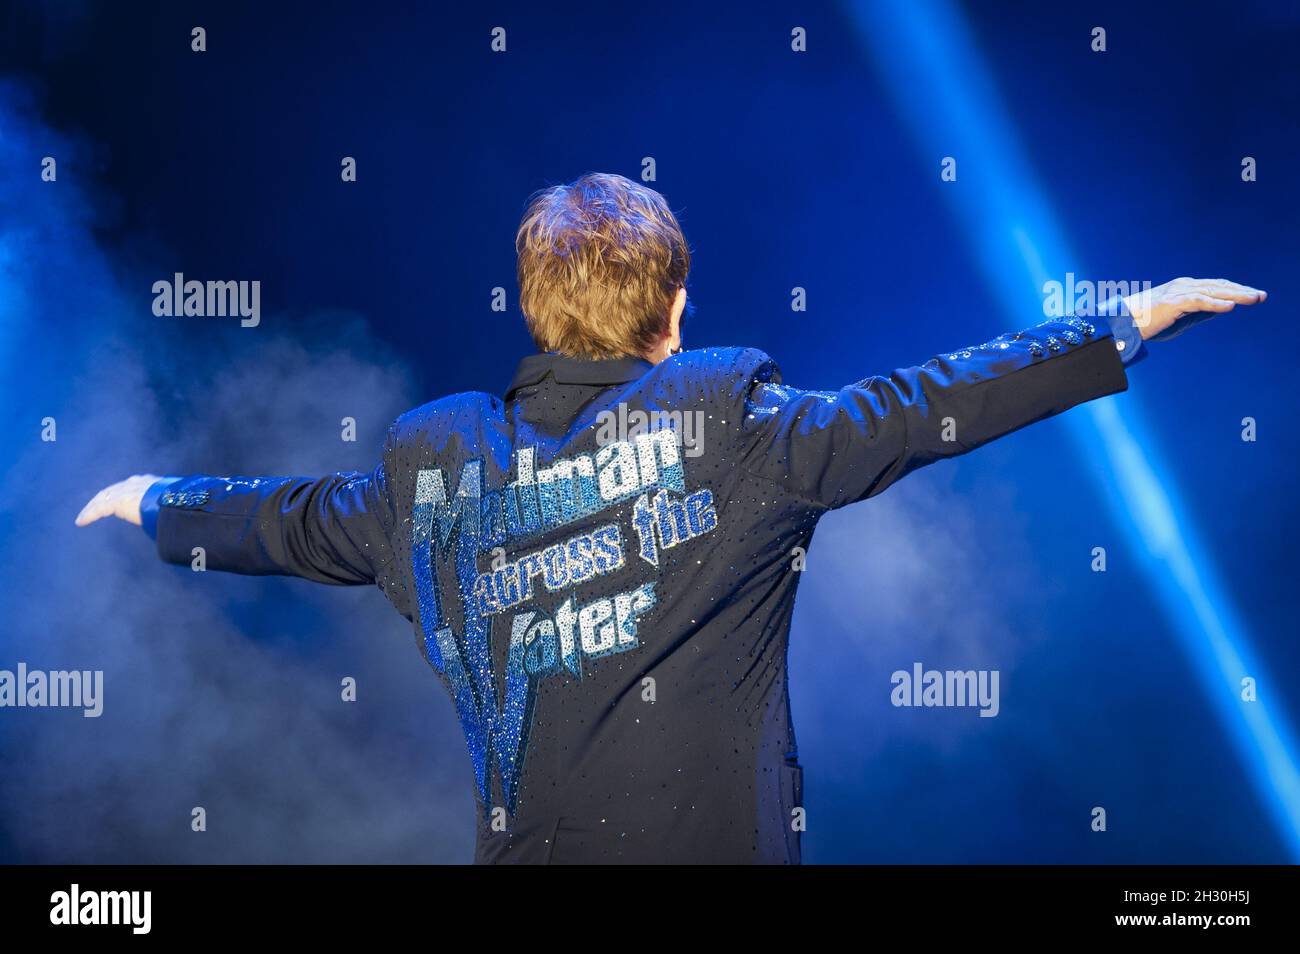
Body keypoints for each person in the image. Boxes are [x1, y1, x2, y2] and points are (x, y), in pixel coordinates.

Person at [76, 173, 1267, 864]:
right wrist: (1125, 320)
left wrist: (155, 505)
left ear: (540, 311)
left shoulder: (433, 471)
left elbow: (289, 521)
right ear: (674, 308)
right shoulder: (734, 425)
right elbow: (922, 405)